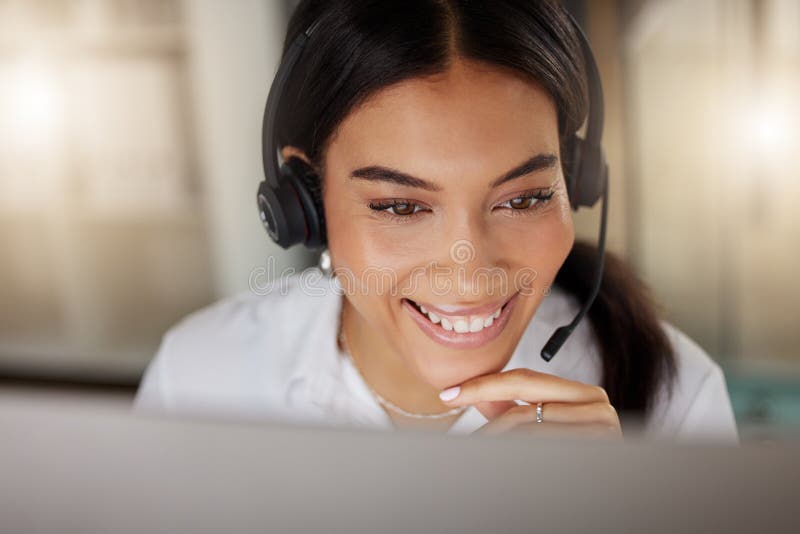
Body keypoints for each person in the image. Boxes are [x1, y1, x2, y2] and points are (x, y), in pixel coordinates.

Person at [134, 0, 738, 444]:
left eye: (523, 199)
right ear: (306, 202)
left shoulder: (677, 401)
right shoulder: (201, 376)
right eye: (400, 207)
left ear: (573, 183)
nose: (469, 274)